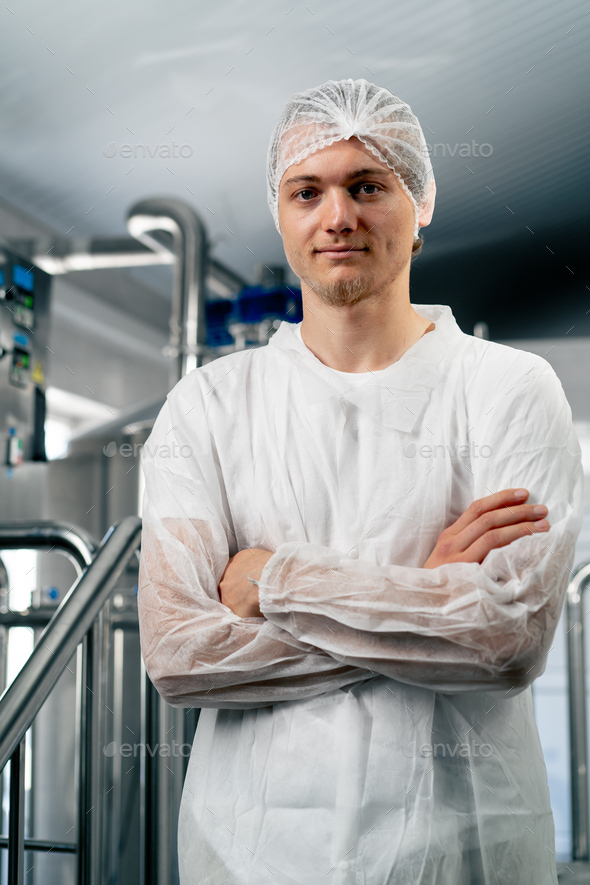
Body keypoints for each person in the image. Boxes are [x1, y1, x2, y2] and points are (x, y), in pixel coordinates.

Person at [137, 79, 584, 884]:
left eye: (368, 186)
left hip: (462, 850)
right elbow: (179, 654)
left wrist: (276, 581)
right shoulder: (206, 406)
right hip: (251, 854)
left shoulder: (511, 390)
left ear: (421, 202)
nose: (337, 216)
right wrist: (429, 598)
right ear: (280, 212)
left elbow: (508, 639)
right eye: (307, 191)